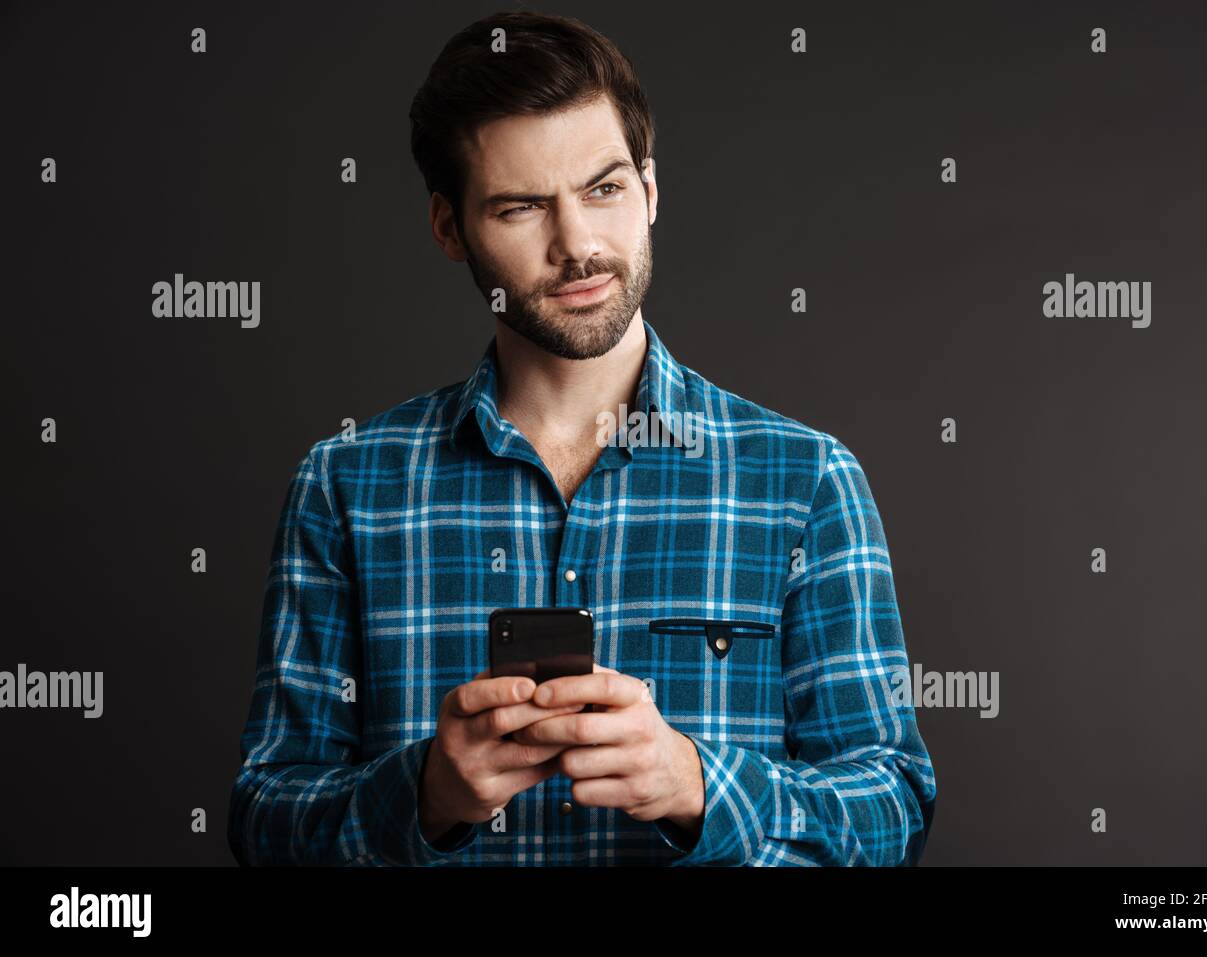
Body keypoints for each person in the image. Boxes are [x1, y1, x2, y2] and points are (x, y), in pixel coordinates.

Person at [227, 9, 936, 866]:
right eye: (522, 207)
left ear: (650, 189)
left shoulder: (806, 482)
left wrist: (697, 784)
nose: (579, 247)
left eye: (603, 189)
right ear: (451, 229)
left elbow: (892, 807)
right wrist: (424, 795)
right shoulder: (345, 487)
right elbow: (266, 821)